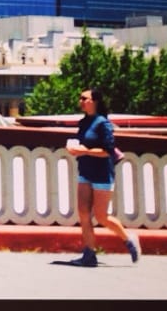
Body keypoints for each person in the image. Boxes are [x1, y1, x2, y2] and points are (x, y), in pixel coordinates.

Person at [66, 87, 140, 266]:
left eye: (85, 98)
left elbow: (107, 151)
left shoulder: (103, 123)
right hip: (85, 170)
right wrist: (74, 148)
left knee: (101, 216)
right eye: (80, 98)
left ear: (95, 101)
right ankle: (89, 254)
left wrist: (86, 151)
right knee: (83, 213)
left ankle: (128, 239)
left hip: (102, 174)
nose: (81, 101)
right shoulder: (83, 122)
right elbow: (81, 143)